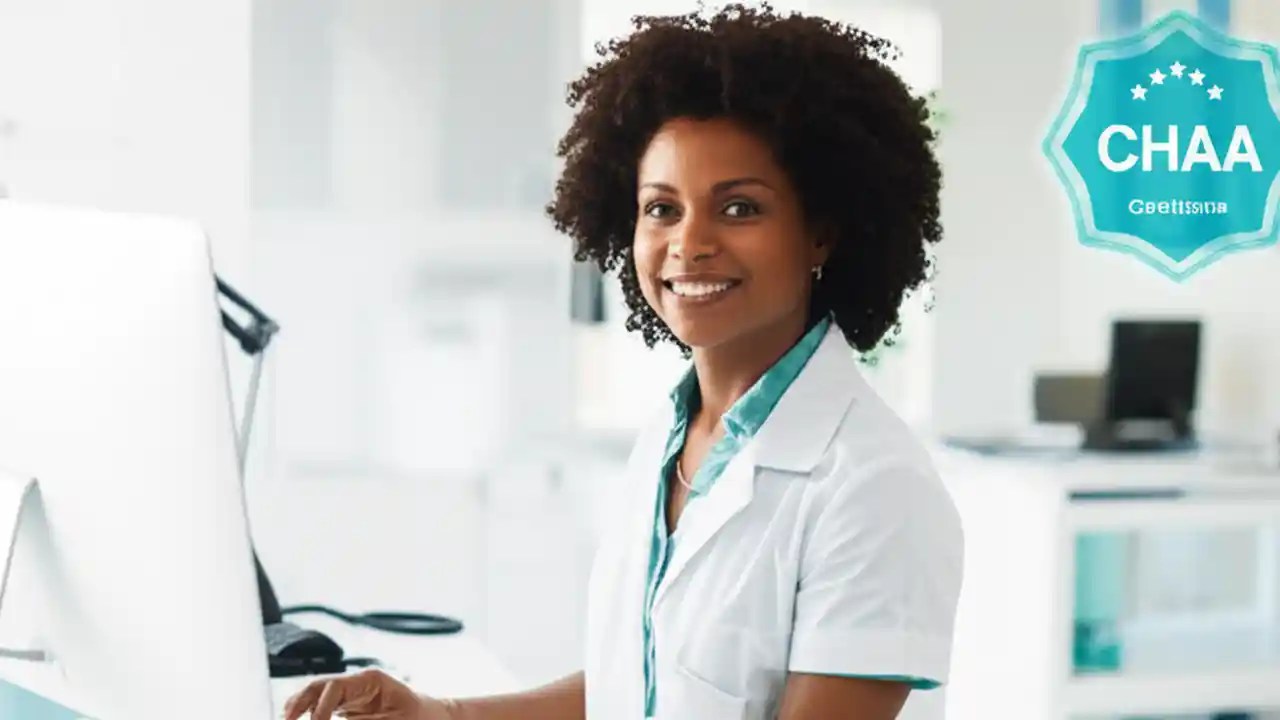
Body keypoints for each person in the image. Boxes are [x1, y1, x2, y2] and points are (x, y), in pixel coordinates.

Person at [282, 3, 962, 719]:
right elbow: (640, 687)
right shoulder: (677, 437)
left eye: (739, 209)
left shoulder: (874, 487)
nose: (688, 243)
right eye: (661, 209)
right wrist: (441, 714)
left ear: (821, 231)